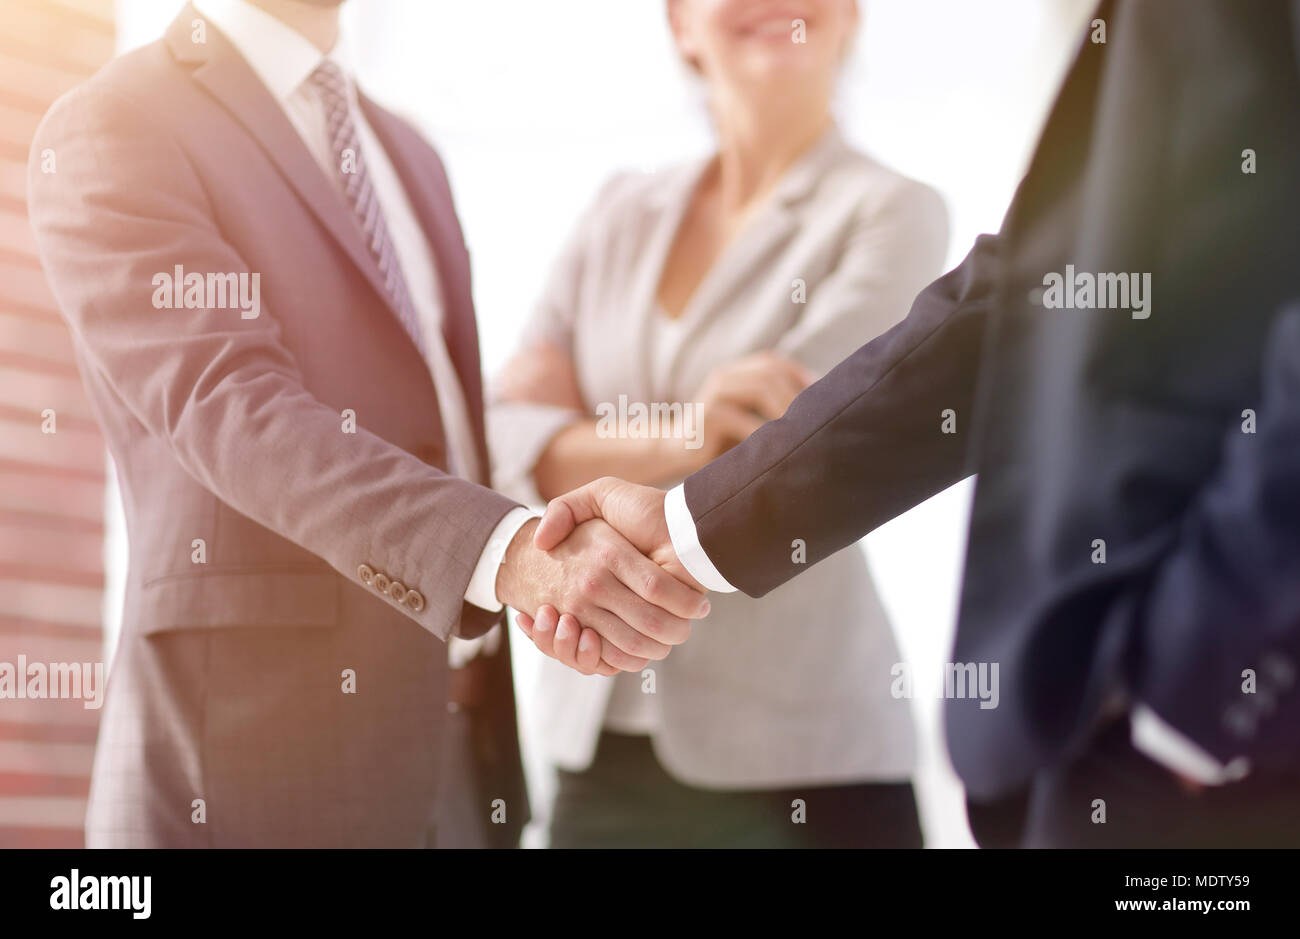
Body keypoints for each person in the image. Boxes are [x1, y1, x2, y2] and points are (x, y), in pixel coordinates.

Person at [528, 0, 1300, 847]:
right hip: (1089, 721)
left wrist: (1196, 698)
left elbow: (765, 407)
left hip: (1213, 738)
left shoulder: (886, 207)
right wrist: (687, 516)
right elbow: (1026, 298)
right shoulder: (622, 207)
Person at [26, 0, 704, 847]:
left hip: (456, 756)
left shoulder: (408, 152)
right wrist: (514, 555)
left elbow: (440, 431)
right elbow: (232, 410)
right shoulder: (117, 121)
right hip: (250, 769)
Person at [491, 0, 947, 847]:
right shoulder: (618, 212)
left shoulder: (892, 212)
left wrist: (579, 439)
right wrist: (688, 430)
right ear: (678, 22)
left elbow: (795, 447)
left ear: (849, 13)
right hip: (598, 743)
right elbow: (503, 430)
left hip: (802, 756)